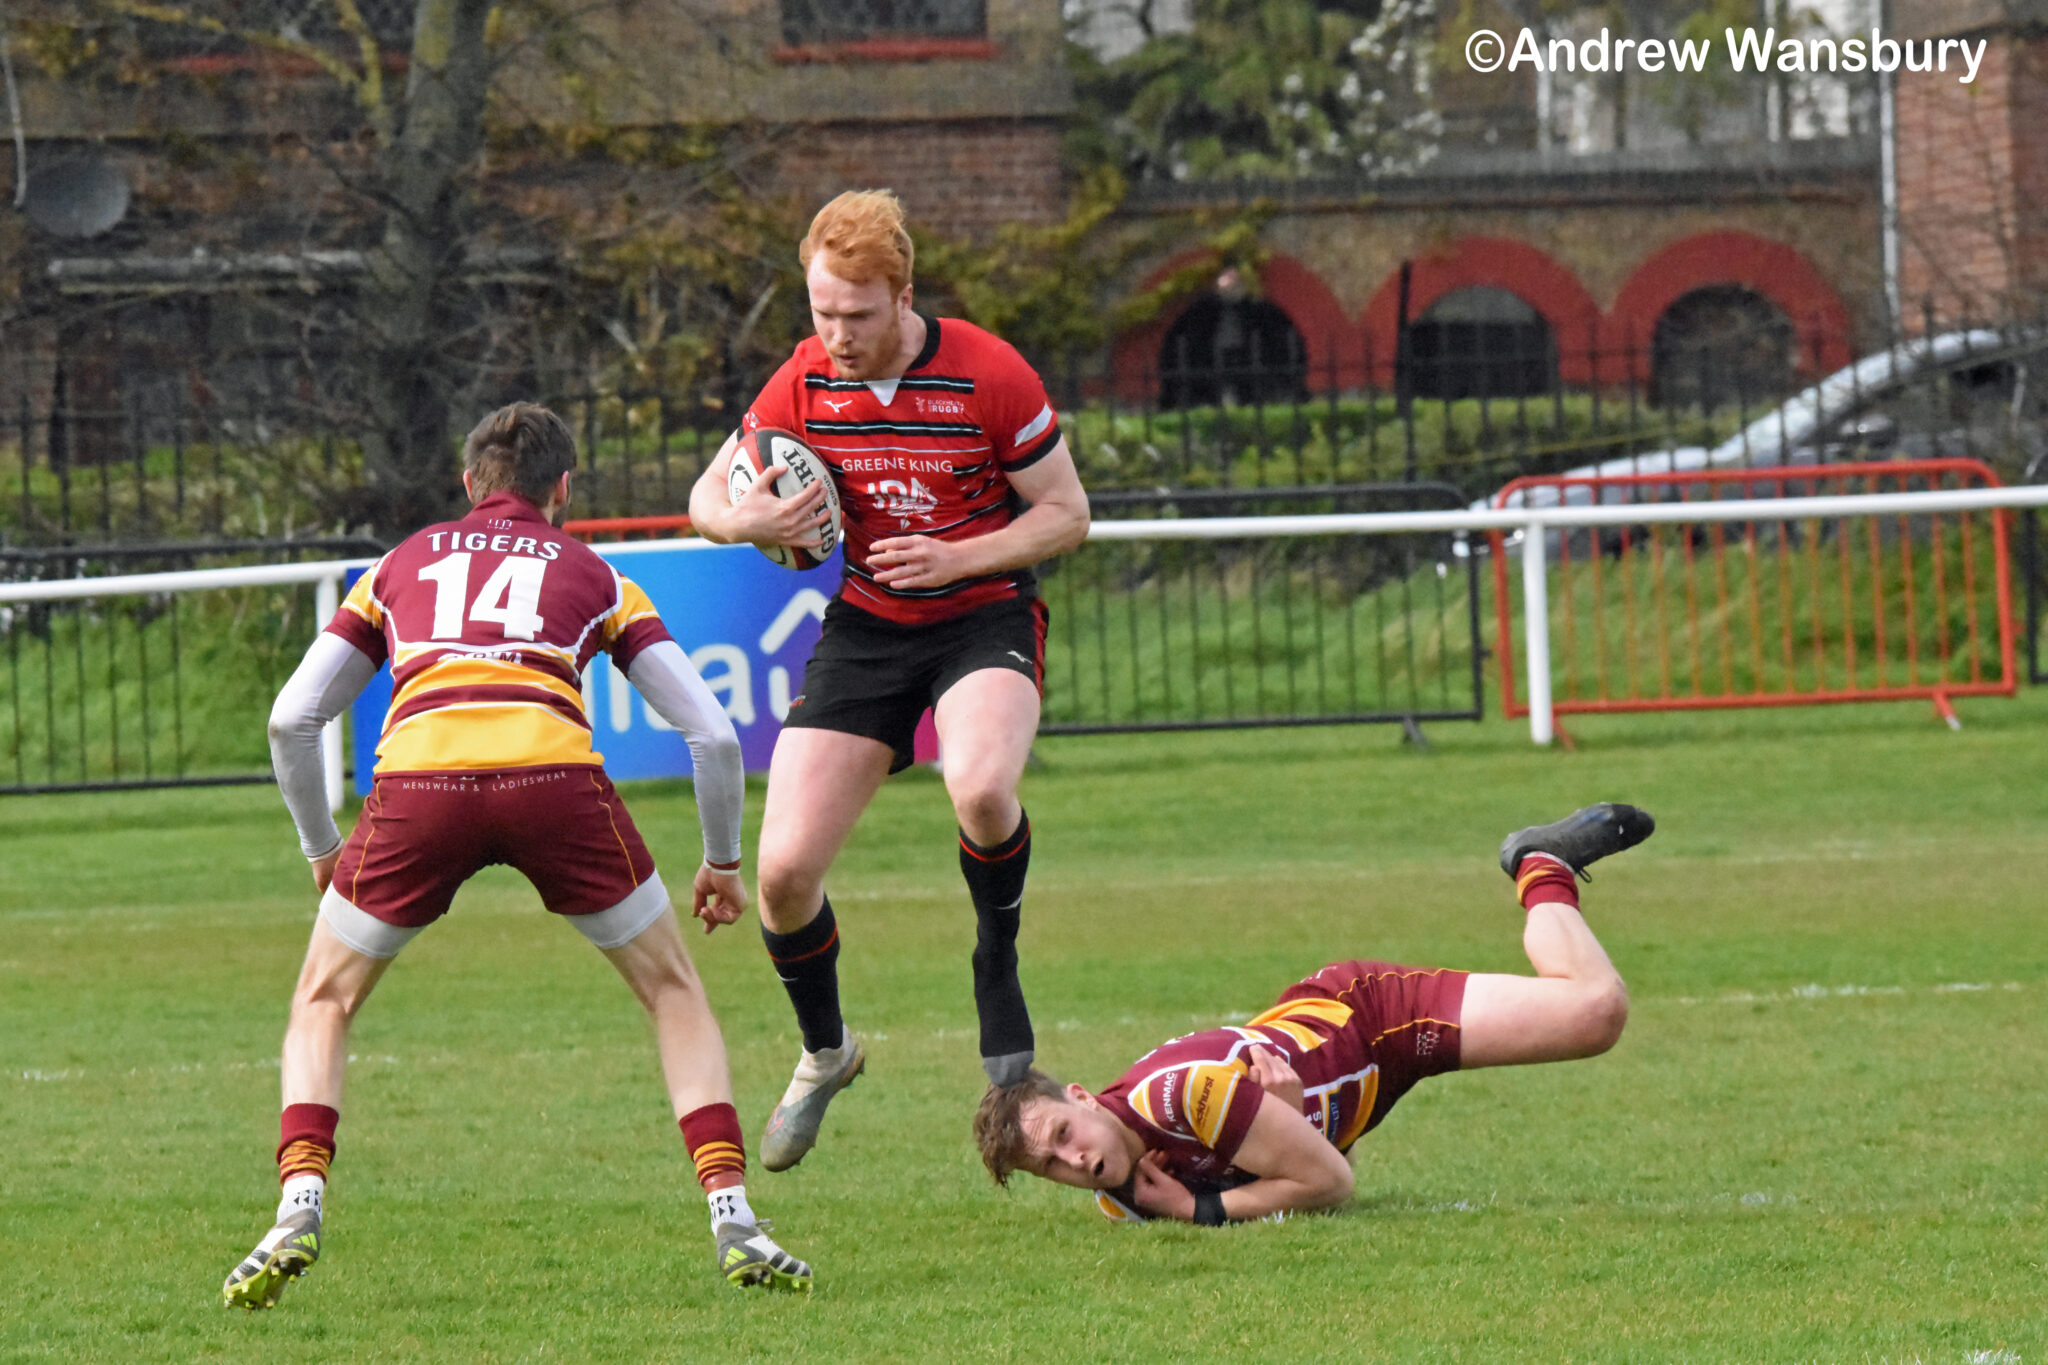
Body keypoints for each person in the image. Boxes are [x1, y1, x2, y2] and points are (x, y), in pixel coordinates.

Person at [224, 403, 813, 1309]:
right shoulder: (597, 573)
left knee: (324, 996)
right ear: (563, 490)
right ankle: (732, 1212)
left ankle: (298, 1202)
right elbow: (715, 736)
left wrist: (322, 847)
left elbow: (290, 718)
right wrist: (723, 864)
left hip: (420, 791)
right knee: (673, 991)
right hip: (554, 784)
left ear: (469, 485)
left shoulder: (397, 566)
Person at [687, 189, 1091, 1171]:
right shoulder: (805, 380)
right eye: (820, 312)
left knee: (982, 786)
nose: (835, 335)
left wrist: (962, 557)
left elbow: (1067, 513)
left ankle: (994, 962)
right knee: (782, 876)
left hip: (981, 612)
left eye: (856, 316)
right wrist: (750, 523)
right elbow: (706, 497)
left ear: (903, 295)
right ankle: (825, 1051)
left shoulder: (987, 372)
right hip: (868, 625)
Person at [972, 804, 1656, 1224]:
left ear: (1085, 1098)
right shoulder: (1121, 1196)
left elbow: (1331, 1184)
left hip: (1372, 1018)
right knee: (1594, 1013)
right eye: (1051, 1167)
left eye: (1064, 1131)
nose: (1076, 1160)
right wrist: (1297, 1135)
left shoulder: (1182, 1098)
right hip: (1349, 1089)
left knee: (1597, 1011)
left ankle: (1538, 865)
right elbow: (1320, 1167)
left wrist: (1199, 1209)